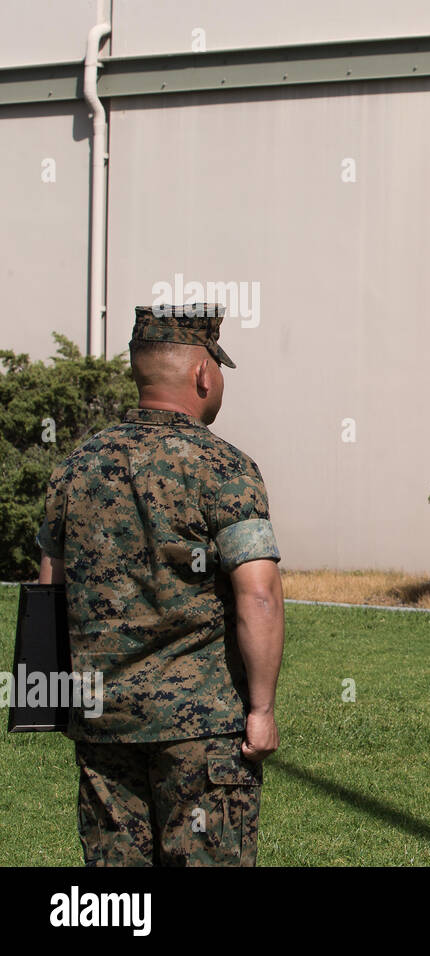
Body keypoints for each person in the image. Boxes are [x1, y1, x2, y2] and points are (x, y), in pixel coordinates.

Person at [35, 303, 283, 866]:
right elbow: (259, 592)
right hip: (203, 728)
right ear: (203, 373)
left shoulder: (76, 467)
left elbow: (48, 589)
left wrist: (52, 698)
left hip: (101, 722)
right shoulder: (225, 468)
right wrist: (262, 710)